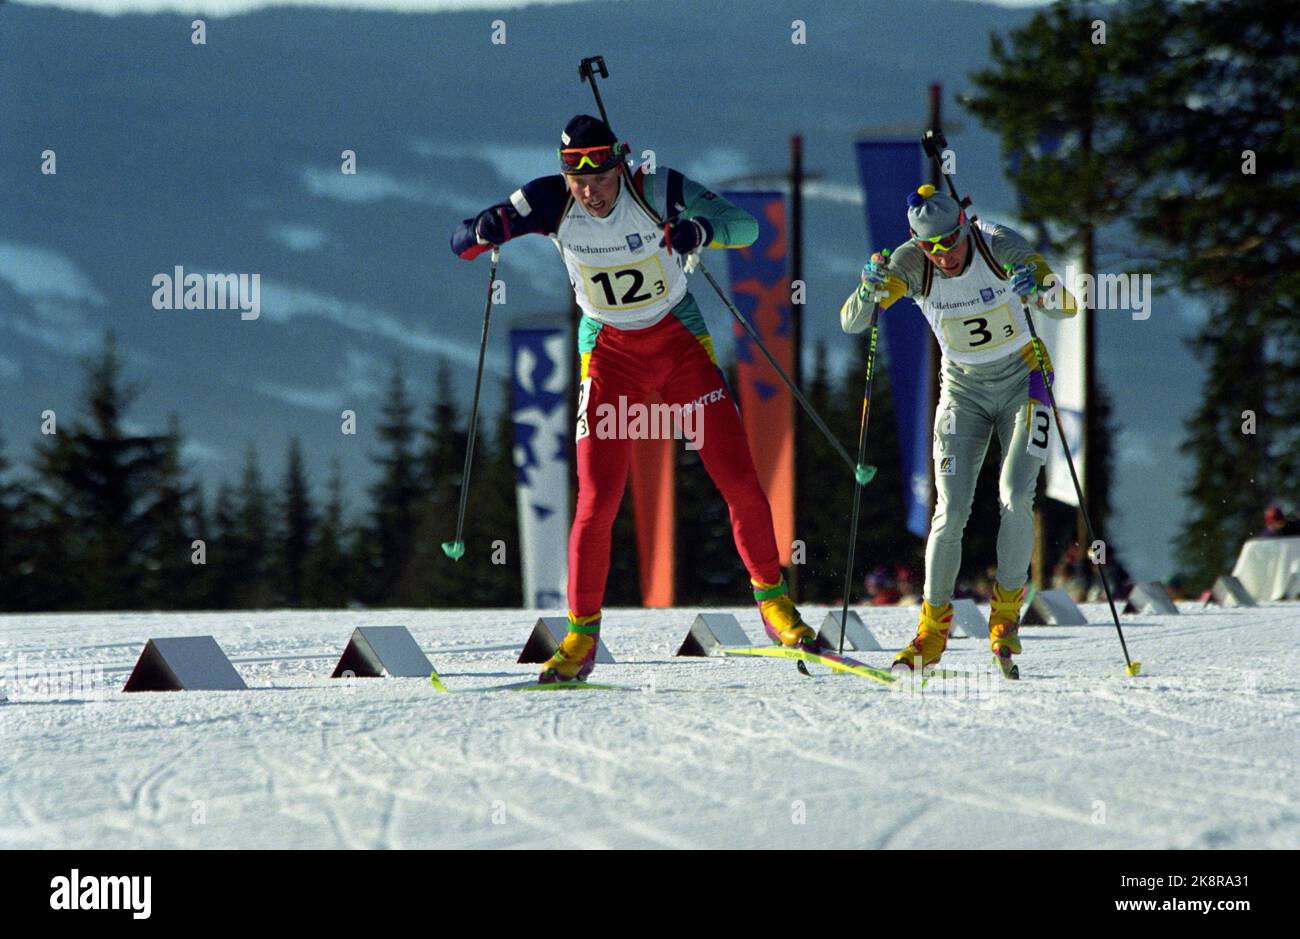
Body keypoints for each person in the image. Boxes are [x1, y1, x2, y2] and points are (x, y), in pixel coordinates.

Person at [451, 115, 814, 682]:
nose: (591, 193)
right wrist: (486, 230)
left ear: (620, 165)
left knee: (739, 480)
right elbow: (461, 242)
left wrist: (699, 231)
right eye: (578, 180)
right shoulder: (549, 200)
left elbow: (745, 227)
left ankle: (773, 604)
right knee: (597, 501)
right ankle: (580, 637)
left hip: (679, 346)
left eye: (600, 178)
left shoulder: (657, 189)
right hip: (610, 358)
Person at [840, 184, 1077, 672]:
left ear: (965, 226)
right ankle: (931, 630)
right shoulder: (911, 262)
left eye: (950, 241)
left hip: (1025, 379)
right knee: (950, 510)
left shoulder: (998, 245)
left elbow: (1066, 306)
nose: (943, 255)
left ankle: (1006, 616)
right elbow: (852, 323)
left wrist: (1040, 288)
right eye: (931, 246)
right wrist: (867, 289)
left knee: (1014, 493)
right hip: (963, 392)